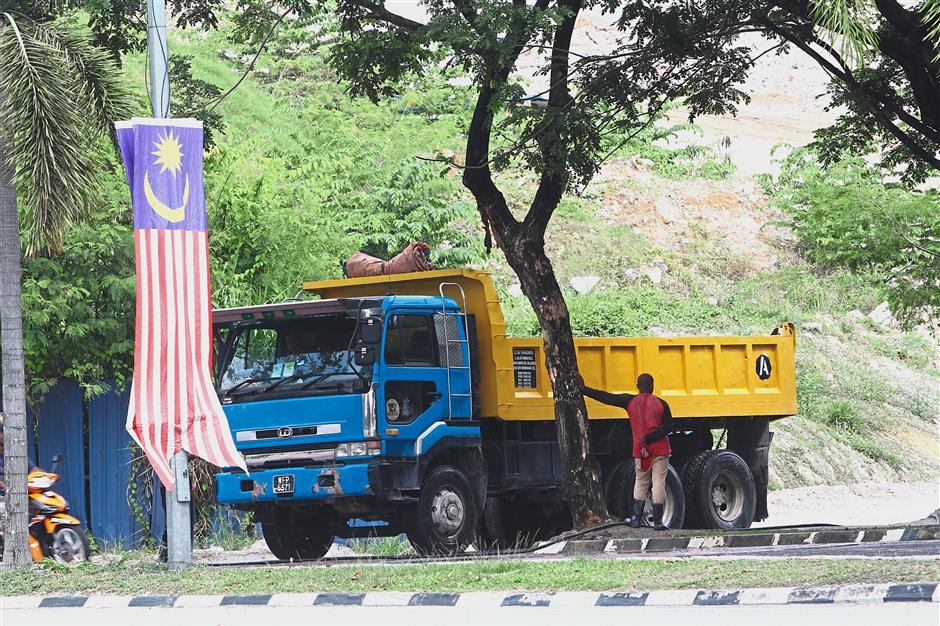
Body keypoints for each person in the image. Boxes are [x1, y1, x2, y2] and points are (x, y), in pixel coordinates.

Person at [576, 372, 673, 530]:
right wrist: (652, 437)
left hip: (641, 452)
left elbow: (608, 398)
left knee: (641, 483)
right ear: (652, 386)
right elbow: (668, 427)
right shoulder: (662, 403)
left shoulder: (630, 401)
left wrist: (584, 389)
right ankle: (658, 523)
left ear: (637, 387)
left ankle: (636, 520)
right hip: (660, 450)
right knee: (658, 484)